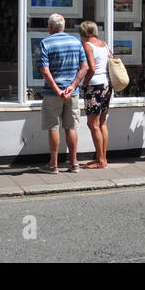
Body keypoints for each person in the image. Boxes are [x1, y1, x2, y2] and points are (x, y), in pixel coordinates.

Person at [37, 13, 88, 173]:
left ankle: (53, 165)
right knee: (71, 127)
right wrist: (72, 86)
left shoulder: (45, 42)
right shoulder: (76, 42)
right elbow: (85, 67)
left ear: (50, 27)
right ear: (63, 27)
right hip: (72, 93)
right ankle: (74, 164)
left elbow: (44, 70)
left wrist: (57, 90)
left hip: (53, 94)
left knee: (53, 126)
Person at [80, 20, 112, 169]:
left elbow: (91, 68)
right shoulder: (104, 44)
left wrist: (85, 83)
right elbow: (111, 59)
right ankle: (103, 158)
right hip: (106, 84)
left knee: (92, 124)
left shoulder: (88, 45)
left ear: (84, 33)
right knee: (102, 122)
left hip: (94, 86)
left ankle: (100, 160)